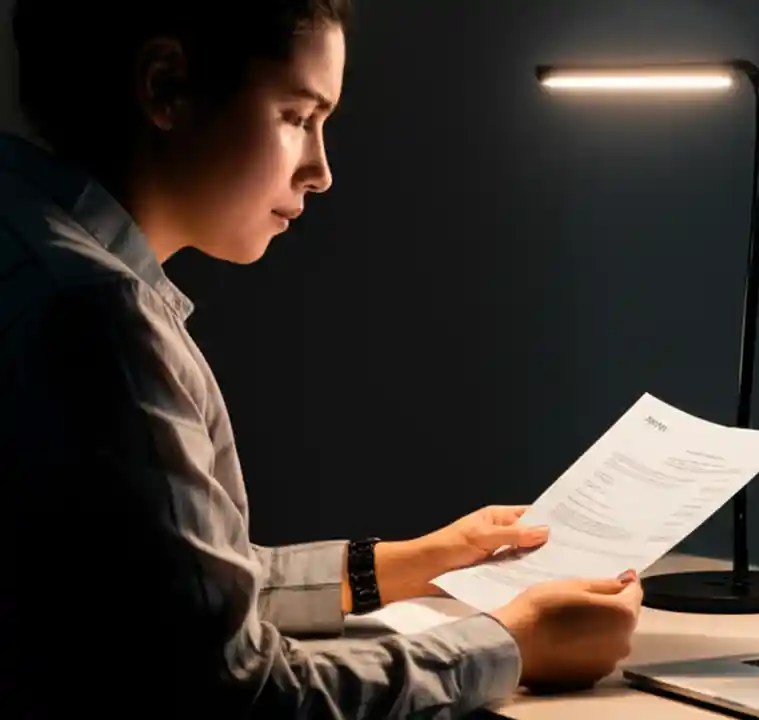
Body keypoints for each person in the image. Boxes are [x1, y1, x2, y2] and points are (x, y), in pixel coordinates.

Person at [0, 1, 642, 717]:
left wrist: (419, 561)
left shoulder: (26, 238)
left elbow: (163, 594)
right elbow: (239, 692)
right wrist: (509, 643)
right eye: (297, 116)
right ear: (165, 87)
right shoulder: (95, 319)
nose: (321, 171)